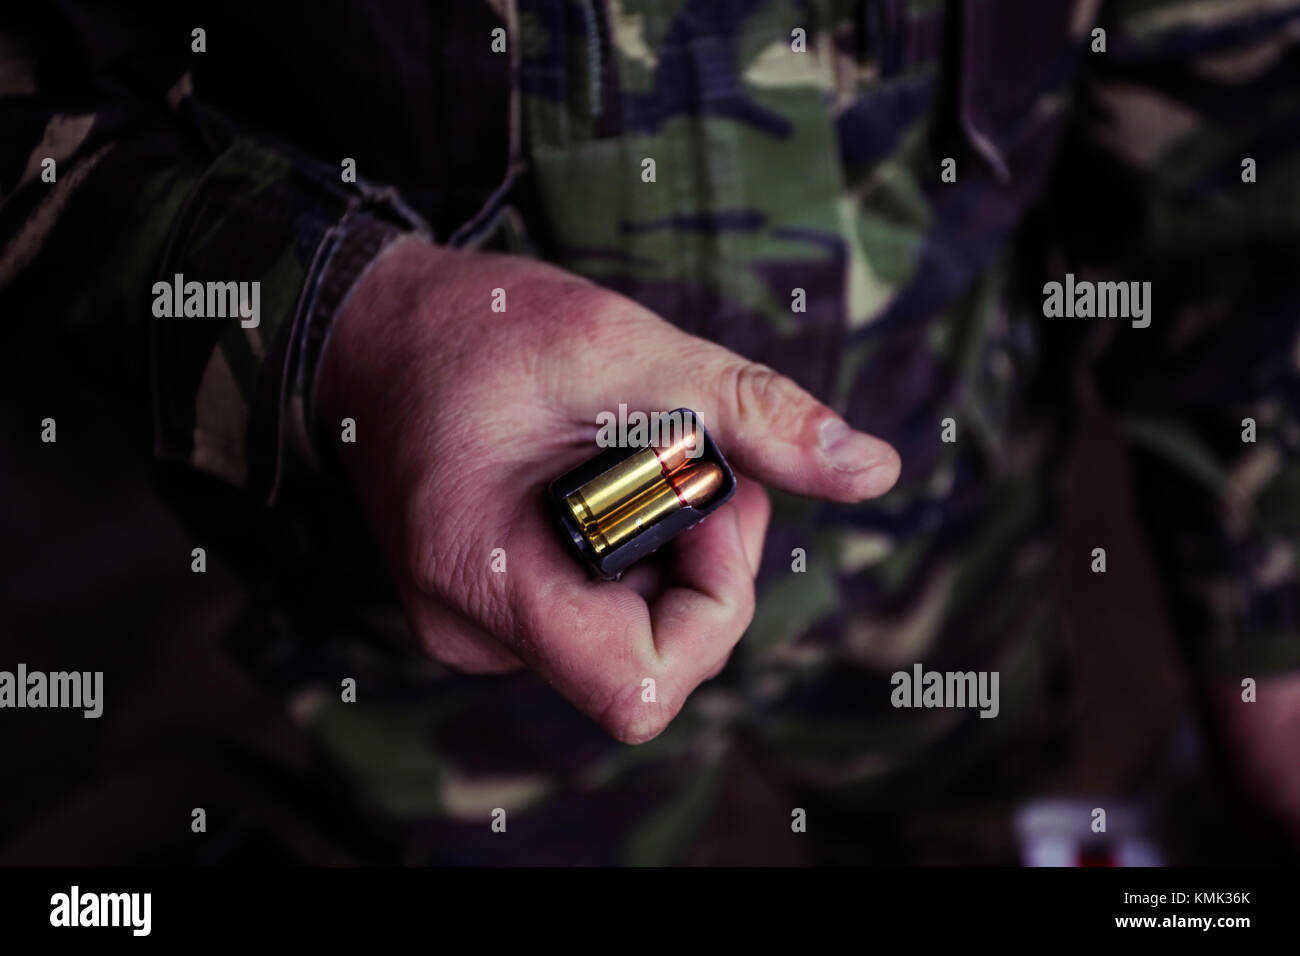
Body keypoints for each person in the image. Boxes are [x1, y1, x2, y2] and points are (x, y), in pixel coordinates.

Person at [1, 0, 1297, 865]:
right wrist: (344, 332)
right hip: (434, 656)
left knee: (970, 830)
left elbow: (1237, 166)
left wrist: (1273, 614)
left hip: (944, 575)